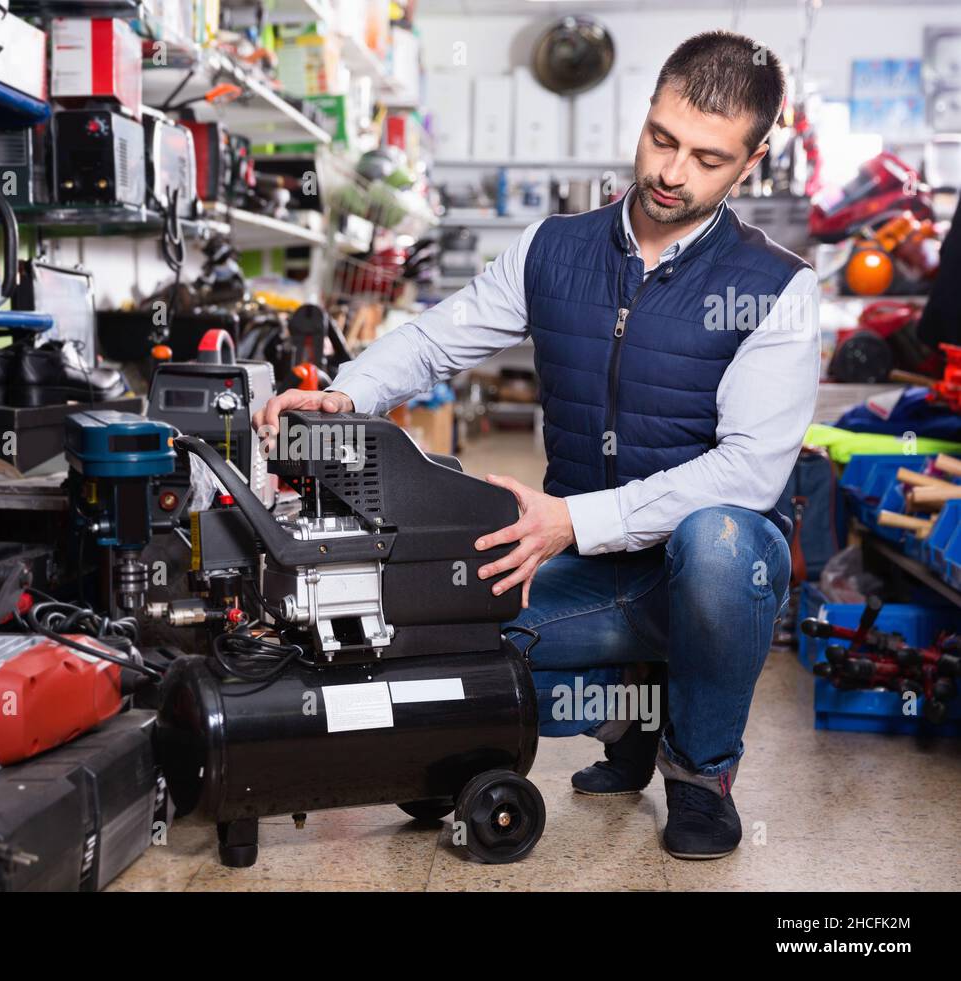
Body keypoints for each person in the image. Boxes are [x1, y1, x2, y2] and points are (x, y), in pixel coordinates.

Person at [252, 30, 821, 859]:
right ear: (647, 112)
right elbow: (439, 337)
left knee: (724, 542)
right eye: (661, 139)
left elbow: (749, 469)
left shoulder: (777, 289)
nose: (671, 172)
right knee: (453, 667)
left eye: (707, 157)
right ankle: (632, 716)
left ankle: (700, 772)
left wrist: (573, 521)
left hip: (702, 574)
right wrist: (348, 390)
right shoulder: (556, 249)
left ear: (751, 160)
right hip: (586, 566)